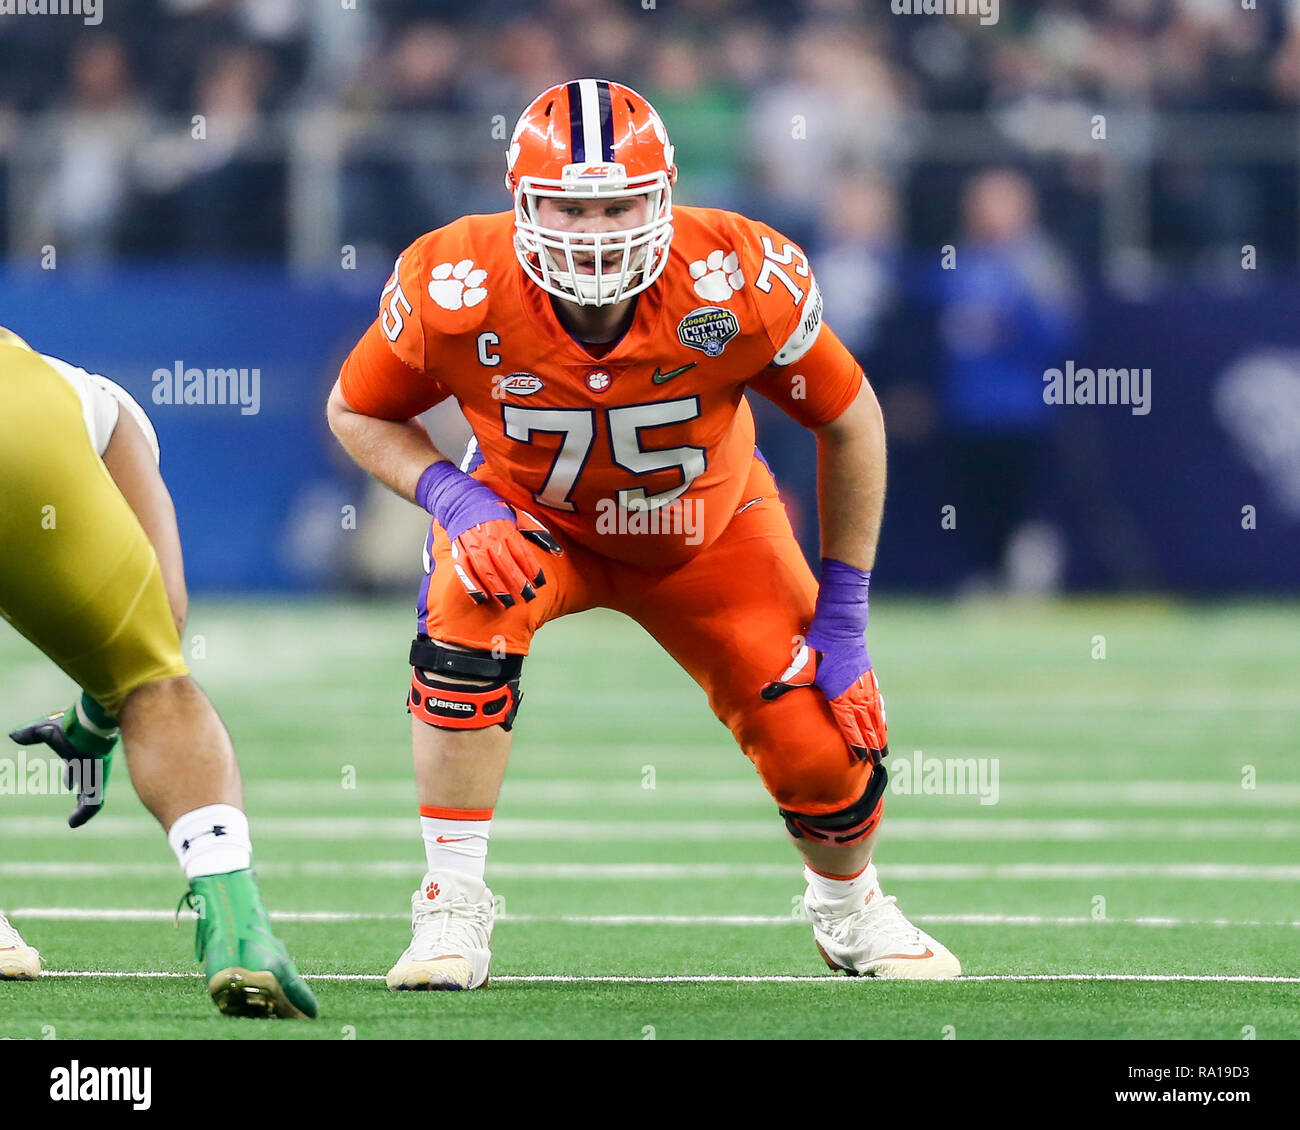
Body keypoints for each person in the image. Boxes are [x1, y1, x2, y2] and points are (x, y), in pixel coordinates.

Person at [327, 80, 960, 989]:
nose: (595, 231)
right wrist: (453, 499)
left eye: (619, 204)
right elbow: (357, 411)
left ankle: (849, 909)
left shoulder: (736, 271)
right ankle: (452, 908)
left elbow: (850, 417)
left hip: (708, 530)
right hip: (532, 522)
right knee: (469, 607)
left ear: (664, 195)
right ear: (522, 204)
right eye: (570, 207)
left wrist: (846, 617)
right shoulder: (454, 277)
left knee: (827, 743)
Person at [0, 327, 316, 1018]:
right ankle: (238, 929)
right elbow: (159, 629)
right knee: (155, 681)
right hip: (23, 431)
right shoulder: (97, 409)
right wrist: (94, 721)